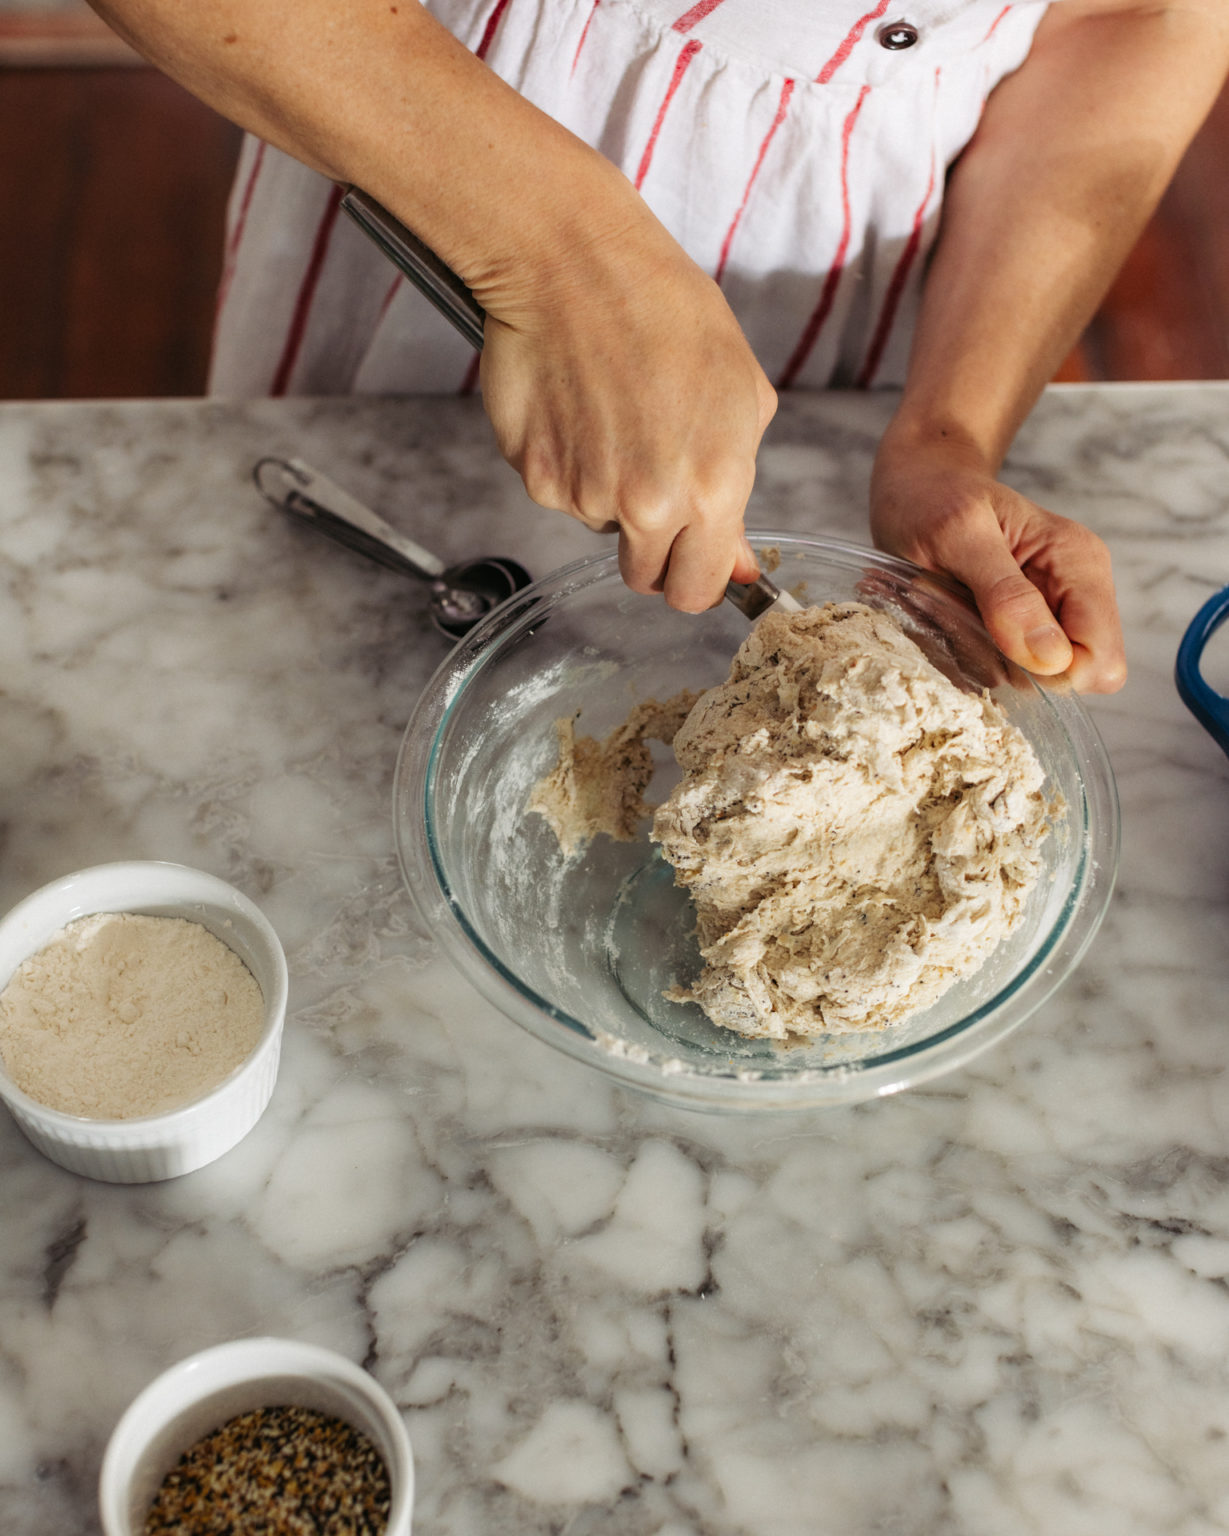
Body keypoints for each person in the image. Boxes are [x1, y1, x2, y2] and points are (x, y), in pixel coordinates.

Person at [88, 0, 1229, 692]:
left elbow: (1134, 18)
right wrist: (555, 251)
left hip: (874, 225)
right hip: (452, 122)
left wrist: (945, 433)